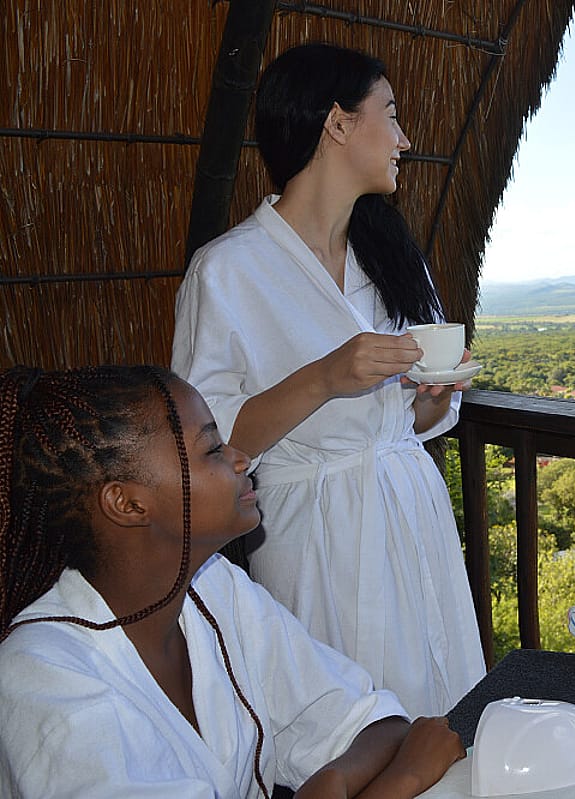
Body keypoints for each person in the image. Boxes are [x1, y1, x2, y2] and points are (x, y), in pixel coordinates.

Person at [171, 42, 485, 716]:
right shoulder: (228, 271)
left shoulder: (394, 259)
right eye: (390, 114)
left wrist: (434, 397)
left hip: (412, 510)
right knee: (342, 724)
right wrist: (324, 377)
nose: (404, 139)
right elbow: (205, 444)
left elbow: (414, 420)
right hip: (314, 533)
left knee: (441, 715)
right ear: (337, 123)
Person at [0, 365, 465, 798]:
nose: (241, 459)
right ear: (128, 503)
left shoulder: (211, 588)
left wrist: (332, 778)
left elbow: (372, 723)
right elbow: (400, 750)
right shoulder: (46, 681)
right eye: (211, 450)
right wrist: (402, 780)